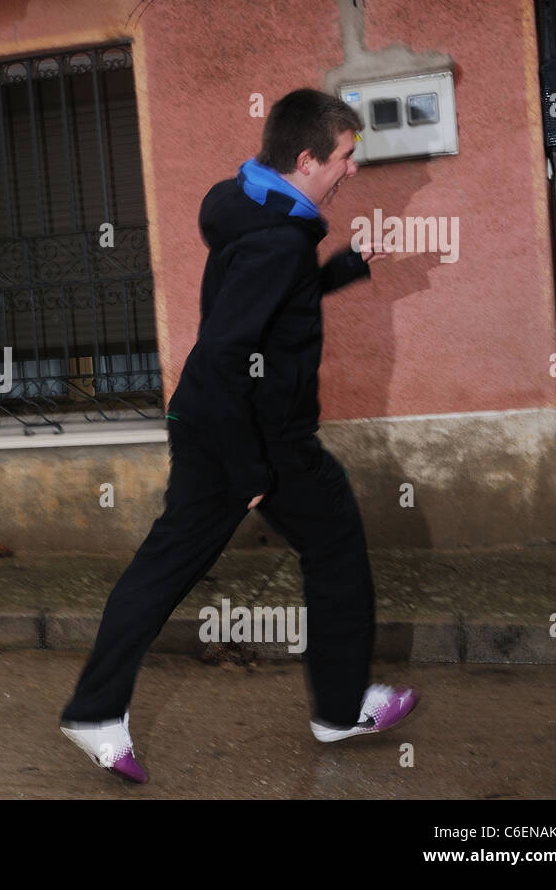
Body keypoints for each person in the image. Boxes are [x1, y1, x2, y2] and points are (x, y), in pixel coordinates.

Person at [59, 89, 418, 783]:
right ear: (308, 157)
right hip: (250, 430)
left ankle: (95, 709)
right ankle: (339, 707)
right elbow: (227, 351)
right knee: (334, 539)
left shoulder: (251, 209)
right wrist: (250, 467)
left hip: (211, 420)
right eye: (345, 157)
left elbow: (267, 306)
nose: (351, 170)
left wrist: (344, 264)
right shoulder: (279, 240)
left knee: (171, 561)